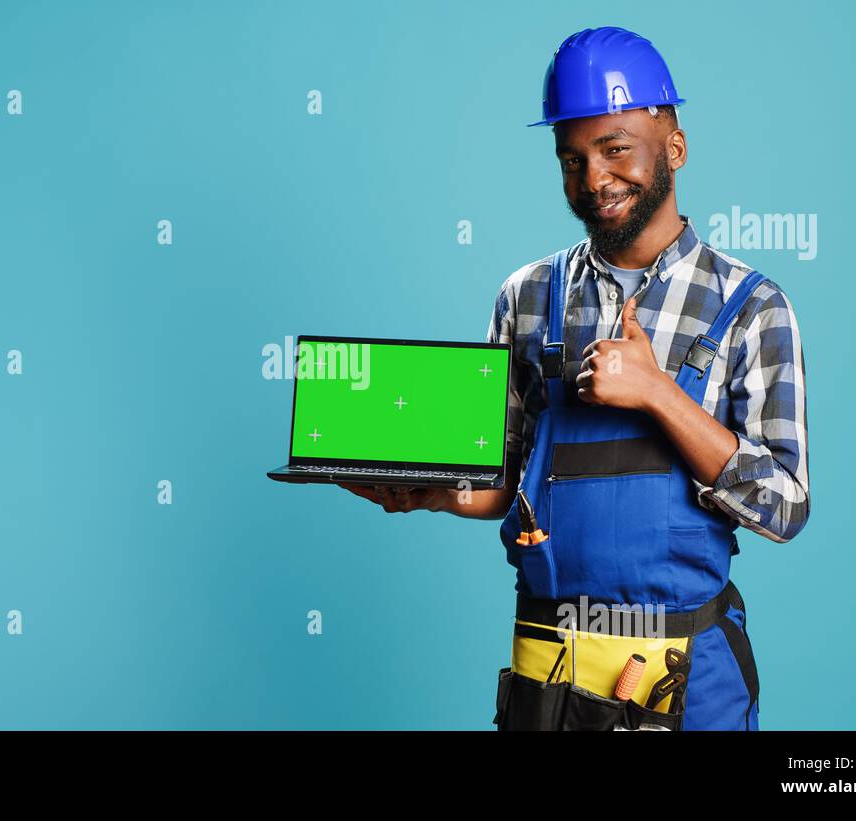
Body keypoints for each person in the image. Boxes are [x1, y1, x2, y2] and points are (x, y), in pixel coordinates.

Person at [341, 26, 809, 730]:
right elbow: (504, 482)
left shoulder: (753, 307)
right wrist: (429, 493)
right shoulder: (527, 295)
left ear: (674, 148)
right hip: (549, 668)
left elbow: (784, 505)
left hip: (685, 676)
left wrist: (657, 392)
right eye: (572, 158)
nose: (593, 179)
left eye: (615, 149)